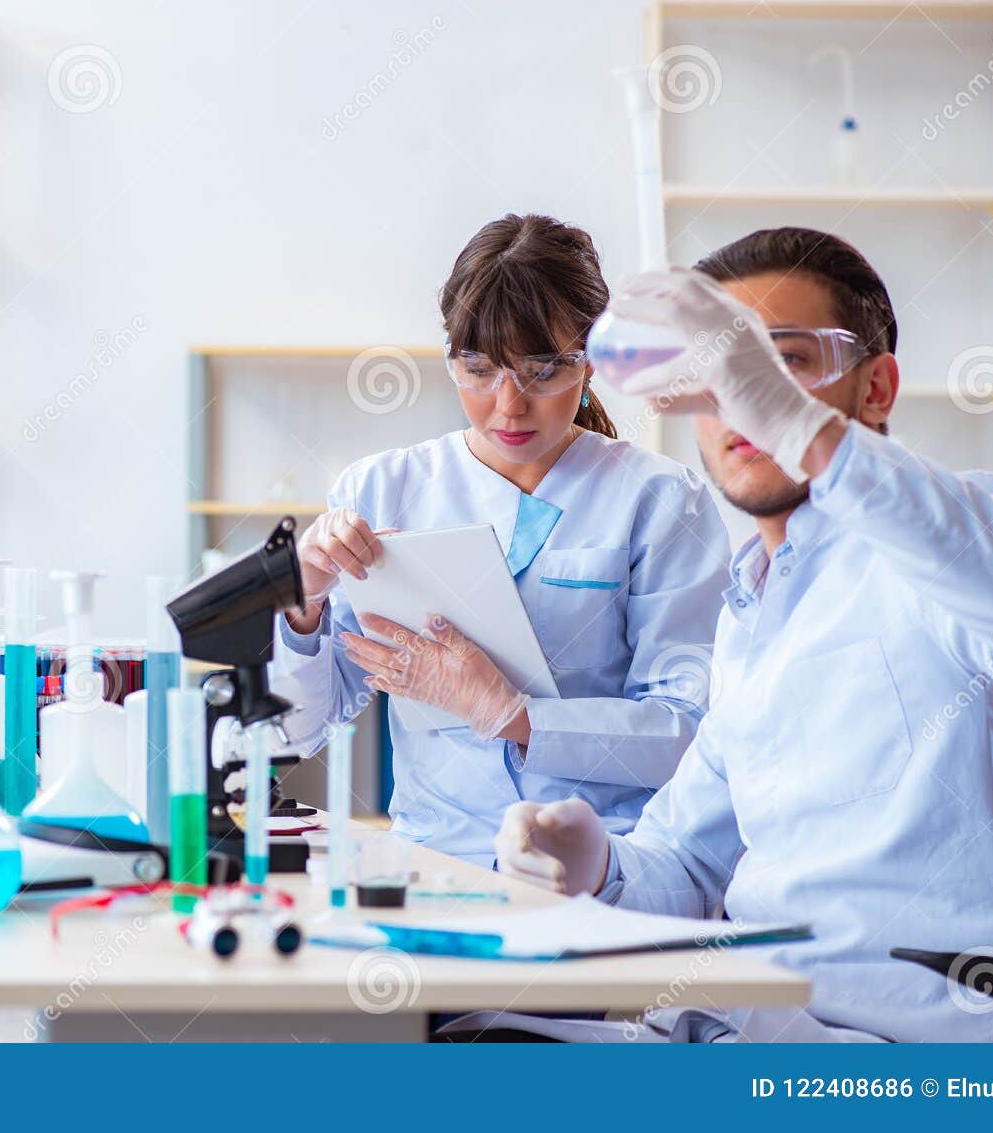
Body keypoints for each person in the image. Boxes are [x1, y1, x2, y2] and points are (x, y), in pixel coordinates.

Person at [494, 227, 993, 1042]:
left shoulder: (947, 547)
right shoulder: (750, 610)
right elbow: (687, 863)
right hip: (741, 1031)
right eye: (720, 377)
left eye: (784, 363)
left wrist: (802, 430)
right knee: (451, 1041)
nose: (741, 404)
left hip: (906, 1067)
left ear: (877, 389)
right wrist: (593, 863)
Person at [271, 214, 731, 867]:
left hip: (604, 868)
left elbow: (687, 732)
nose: (508, 405)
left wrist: (512, 713)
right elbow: (301, 727)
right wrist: (303, 601)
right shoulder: (382, 489)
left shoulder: (659, 501)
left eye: (542, 372)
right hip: (434, 868)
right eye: (479, 369)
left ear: (593, 359)